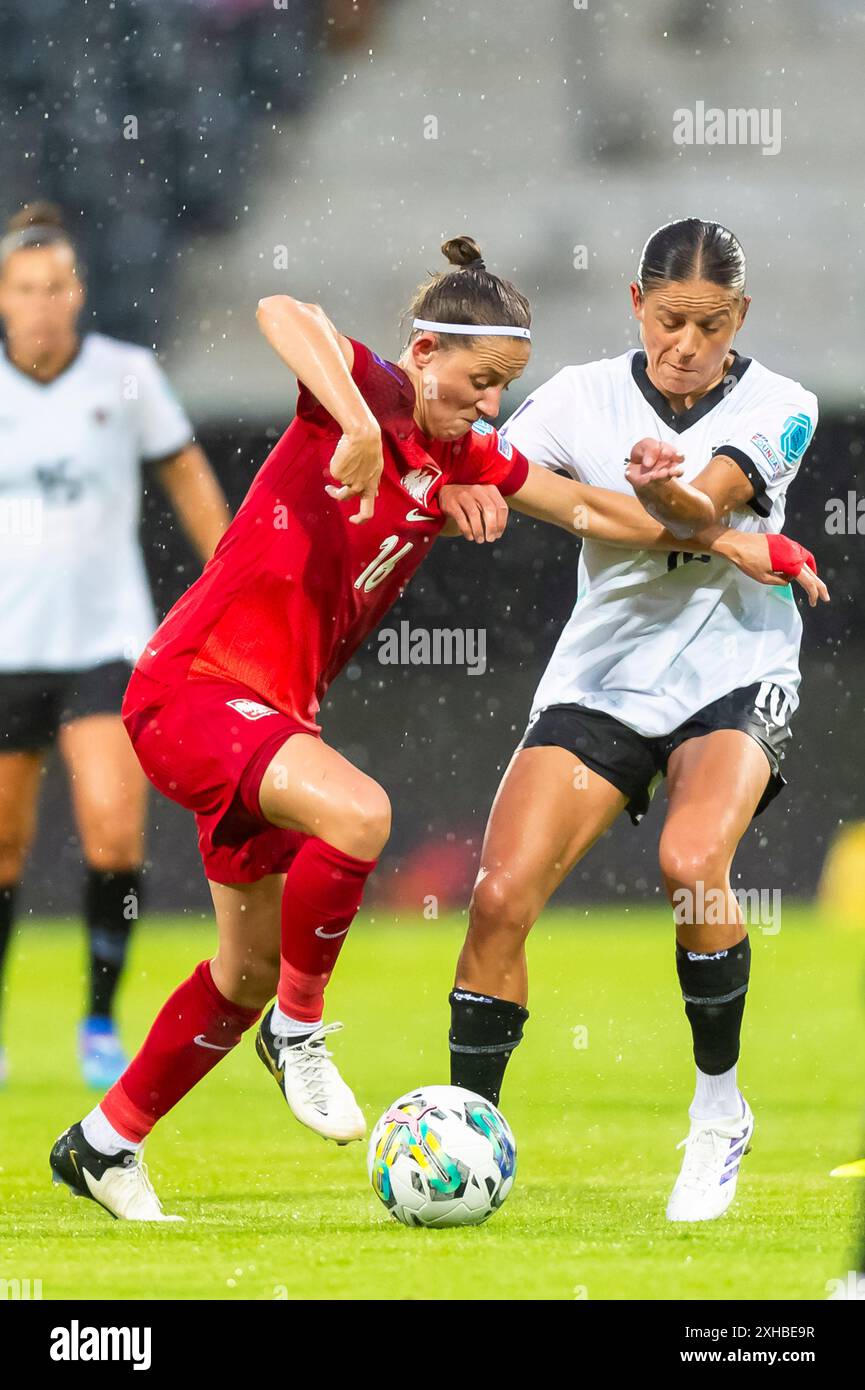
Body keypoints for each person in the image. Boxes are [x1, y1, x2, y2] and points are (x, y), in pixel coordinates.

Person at [48, 235, 821, 1220]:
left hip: (272, 716)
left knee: (237, 968)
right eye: (481, 379)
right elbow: (285, 311)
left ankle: (106, 1141)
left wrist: (735, 540)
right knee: (362, 815)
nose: (492, 403)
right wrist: (351, 417)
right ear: (424, 351)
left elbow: (587, 502)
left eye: (505, 386)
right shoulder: (365, 393)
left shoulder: (467, 456)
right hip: (193, 685)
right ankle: (300, 1027)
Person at [444, 217, 826, 1224]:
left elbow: (702, 504)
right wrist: (469, 487)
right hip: (604, 674)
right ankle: (460, 1139)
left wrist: (671, 499)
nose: (685, 345)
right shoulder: (579, 396)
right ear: (633, 306)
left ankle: (715, 1110)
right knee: (497, 894)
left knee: (692, 861)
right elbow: (484, 464)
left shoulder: (784, 405)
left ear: (739, 316)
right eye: (668, 322)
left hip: (732, 668)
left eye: (707, 324)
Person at [0, 202, 231, 1088]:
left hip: (106, 638)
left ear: (78, 292)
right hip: (10, 648)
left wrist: (228, 583)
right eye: (25, 288)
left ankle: (98, 1021)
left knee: (111, 829)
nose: (43, 304)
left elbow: (184, 469)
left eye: (57, 286)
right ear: (6, 298)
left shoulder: (125, 375)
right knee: (6, 846)